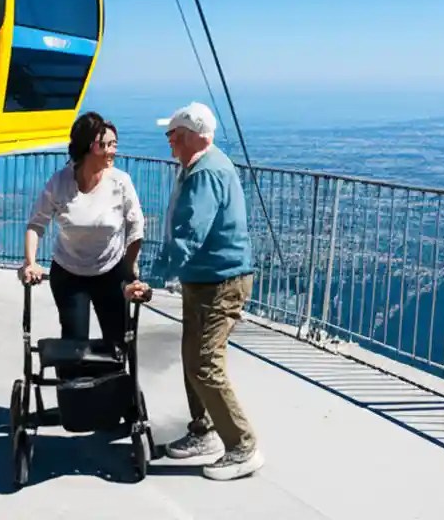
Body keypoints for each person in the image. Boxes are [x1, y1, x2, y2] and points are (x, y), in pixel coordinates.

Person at [125, 101, 264, 481]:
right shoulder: (199, 166)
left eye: (172, 136)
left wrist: (151, 279)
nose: (168, 143)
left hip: (221, 281)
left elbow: (189, 234)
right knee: (193, 358)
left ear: (189, 136)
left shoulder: (206, 173)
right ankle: (204, 431)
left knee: (204, 361)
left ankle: (242, 445)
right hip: (205, 280)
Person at [21, 112, 144, 353]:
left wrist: (131, 270)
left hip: (110, 271)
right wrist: (30, 263)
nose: (112, 151)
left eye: (114, 144)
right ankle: (73, 389)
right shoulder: (60, 182)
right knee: (75, 346)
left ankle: (111, 388)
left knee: (117, 345)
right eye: (105, 145)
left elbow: (135, 227)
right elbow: (36, 224)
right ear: (88, 147)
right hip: (69, 273)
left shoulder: (121, 182)